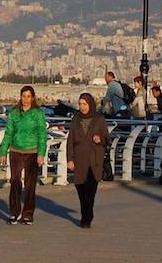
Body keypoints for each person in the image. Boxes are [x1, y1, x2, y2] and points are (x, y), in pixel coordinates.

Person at [0, 85, 48, 225]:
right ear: (20, 97)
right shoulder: (14, 113)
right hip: (16, 151)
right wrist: (3, 151)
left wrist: (41, 154)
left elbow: (42, 134)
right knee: (14, 181)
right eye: (23, 96)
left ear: (32, 98)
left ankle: (27, 214)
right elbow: (8, 133)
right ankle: (14, 212)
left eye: (28, 96)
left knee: (30, 184)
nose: (25, 99)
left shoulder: (38, 113)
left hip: (32, 151)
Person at [66, 92, 108, 229]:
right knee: (80, 188)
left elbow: (107, 139)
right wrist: (69, 159)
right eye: (80, 104)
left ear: (90, 104)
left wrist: (100, 139)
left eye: (84, 104)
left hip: (94, 159)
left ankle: (86, 217)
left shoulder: (99, 119)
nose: (82, 107)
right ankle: (86, 213)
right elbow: (70, 140)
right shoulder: (75, 119)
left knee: (91, 189)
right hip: (79, 159)